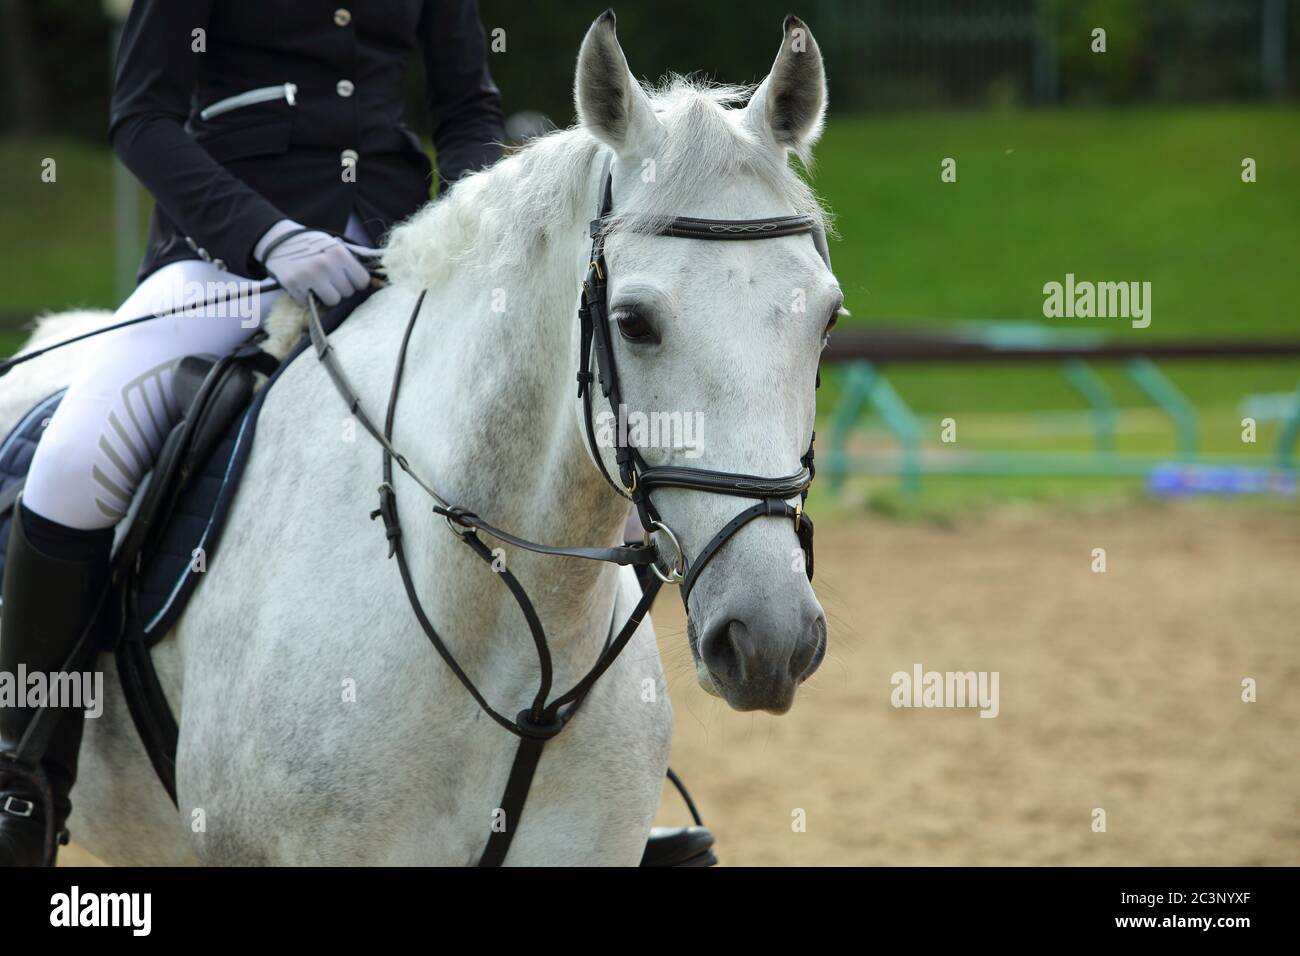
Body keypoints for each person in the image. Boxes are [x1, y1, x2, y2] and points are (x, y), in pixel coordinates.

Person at [0, 0, 503, 866]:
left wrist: (464, 237)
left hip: (394, 261)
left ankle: (582, 777)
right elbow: (143, 117)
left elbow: (468, 113)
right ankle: (26, 773)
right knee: (75, 461)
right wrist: (264, 234)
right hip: (221, 260)